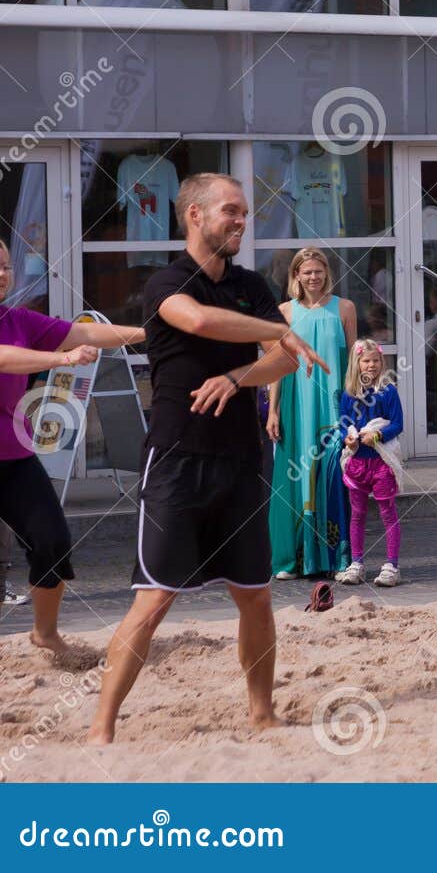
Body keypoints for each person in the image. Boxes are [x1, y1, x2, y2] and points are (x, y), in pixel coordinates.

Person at [89, 173, 330, 743]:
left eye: (245, 213)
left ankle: (262, 713)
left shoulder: (248, 284)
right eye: (231, 212)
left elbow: (283, 361)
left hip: (242, 460)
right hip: (178, 460)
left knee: (256, 597)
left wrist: (237, 374)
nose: (241, 222)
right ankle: (102, 728)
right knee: (153, 603)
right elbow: (198, 320)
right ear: (194, 215)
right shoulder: (165, 283)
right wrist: (278, 330)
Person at [0, 236, 146, 652]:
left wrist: (149, 332)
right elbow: (4, 357)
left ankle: (44, 634)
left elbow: (85, 332)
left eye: (7, 266)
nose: (2, 274)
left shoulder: (19, 320)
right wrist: (60, 360)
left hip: (13, 457)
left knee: (52, 540)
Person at [266, 247, 355, 579]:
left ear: (326, 273)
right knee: (295, 473)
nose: (313, 277)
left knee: (332, 473)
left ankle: (336, 556)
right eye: (307, 272)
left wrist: (355, 406)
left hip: (333, 404)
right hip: (295, 402)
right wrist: (272, 411)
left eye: (318, 271)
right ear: (296, 276)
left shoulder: (345, 308)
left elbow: (354, 364)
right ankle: (294, 558)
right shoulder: (284, 313)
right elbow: (276, 366)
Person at [335, 339, 404, 588]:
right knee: (357, 514)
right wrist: (349, 438)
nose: (371, 365)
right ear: (357, 363)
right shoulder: (348, 395)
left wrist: (377, 435)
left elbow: (397, 423)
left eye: (375, 360)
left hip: (381, 463)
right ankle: (356, 563)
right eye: (366, 361)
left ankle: (392, 565)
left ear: (382, 362)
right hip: (358, 464)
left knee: (388, 512)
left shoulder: (388, 391)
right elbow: (343, 423)